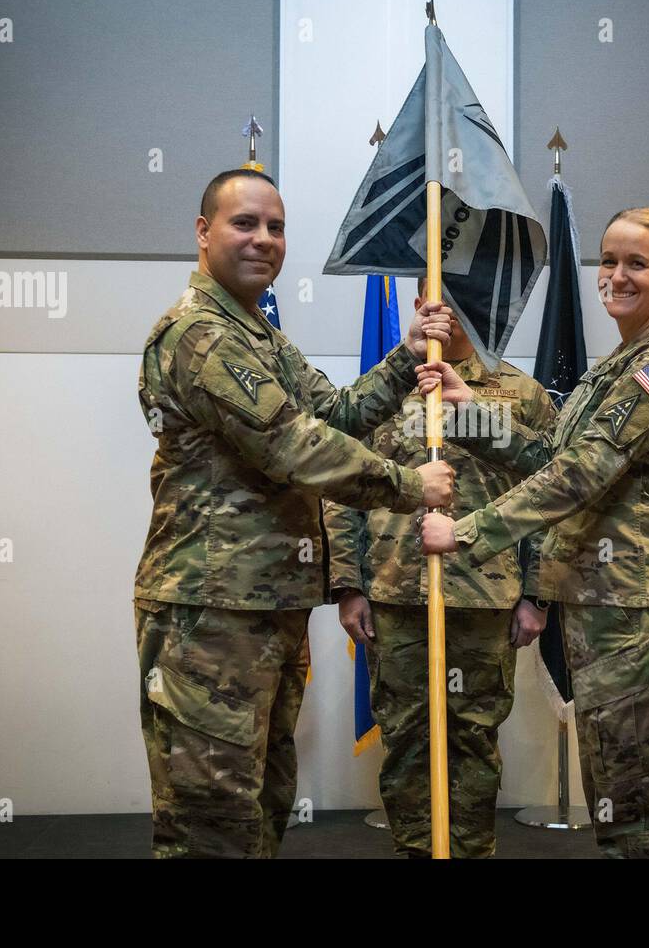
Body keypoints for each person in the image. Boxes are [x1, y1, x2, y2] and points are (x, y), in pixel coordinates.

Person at [133, 168, 455, 858]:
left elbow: (334, 414)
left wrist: (404, 358)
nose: (264, 239)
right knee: (209, 823)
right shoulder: (200, 335)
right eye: (244, 223)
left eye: (275, 227)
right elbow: (292, 446)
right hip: (211, 614)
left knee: (259, 811)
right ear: (202, 232)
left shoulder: (258, 337)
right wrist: (409, 484)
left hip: (267, 609)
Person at [417, 207, 649, 859]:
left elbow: (580, 474)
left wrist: (464, 534)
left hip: (632, 611)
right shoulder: (623, 361)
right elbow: (555, 452)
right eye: (608, 260)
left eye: (637, 262)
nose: (617, 274)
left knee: (641, 821)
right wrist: (470, 412)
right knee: (622, 811)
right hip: (602, 607)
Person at [324, 280, 558, 858]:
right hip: (396, 595)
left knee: (473, 741)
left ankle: (471, 851)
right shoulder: (384, 391)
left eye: (461, 294)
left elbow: (551, 497)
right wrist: (348, 587)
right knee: (406, 738)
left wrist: (538, 595)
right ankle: (415, 851)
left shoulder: (518, 393)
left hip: (485, 598)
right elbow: (340, 488)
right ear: (417, 304)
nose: (447, 309)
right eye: (436, 295)